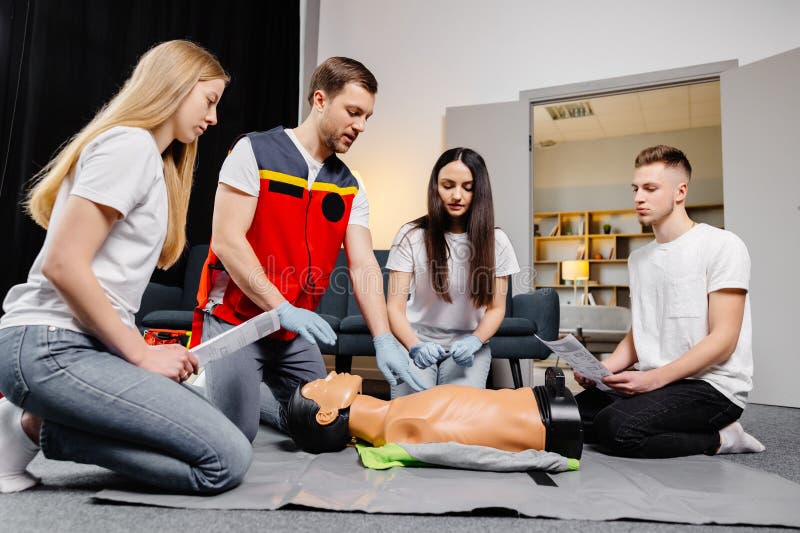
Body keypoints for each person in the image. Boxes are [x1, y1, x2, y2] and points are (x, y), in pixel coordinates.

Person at [0, 40, 253, 495]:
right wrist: (140, 354)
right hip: (48, 345)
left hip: (82, 346)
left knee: (217, 436)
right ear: (175, 85)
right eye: (209, 100)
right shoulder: (130, 146)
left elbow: (106, 284)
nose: (213, 118)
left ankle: (34, 420)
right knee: (224, 461)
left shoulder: (151, 159)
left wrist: (142, 351)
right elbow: (63, 264)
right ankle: (32, 426)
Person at [193, 56, 423, 443]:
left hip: (291, 331)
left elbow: (364, 264)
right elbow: (227, 240)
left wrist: (383, 337)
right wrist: (280, 307)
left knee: (326, 428)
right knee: (236, 436)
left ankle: (253, 397)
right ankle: (209, 389)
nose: (361, 126)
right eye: (353, 112)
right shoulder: (254, 152)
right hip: (237, 320)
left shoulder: (350, 185)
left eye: (367, 117)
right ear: (320, 100)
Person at [574, 145, 765, 458]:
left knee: (616, 428)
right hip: (657, 382)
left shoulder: (723, 245)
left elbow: (724, 340)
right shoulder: (639, 259)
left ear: (680, 191)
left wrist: (651, 380)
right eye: (635, 188)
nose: (639, 197)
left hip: (711, 386)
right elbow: (641, 332)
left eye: (650, 189)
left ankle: (724, 437)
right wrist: (602, 370)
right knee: (564, 417)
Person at [385, 148, 520, 398]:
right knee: (413, 411)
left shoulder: (497, 241)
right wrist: (414, 346)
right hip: (414, 341)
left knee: (458, 413)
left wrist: (476, 340)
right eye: (448, 186)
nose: (457, 195)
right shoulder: (410, 235)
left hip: (469, 346)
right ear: (435, 187)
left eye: (468, 188)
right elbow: (394, 307)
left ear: (479, 191)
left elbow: (496, 308)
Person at [286, 370, 583, 460]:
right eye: (321, 385)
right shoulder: (402, 426)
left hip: (543, 405)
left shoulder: (397, 416)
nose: (330, 374)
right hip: (547, 417)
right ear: (326, 415)